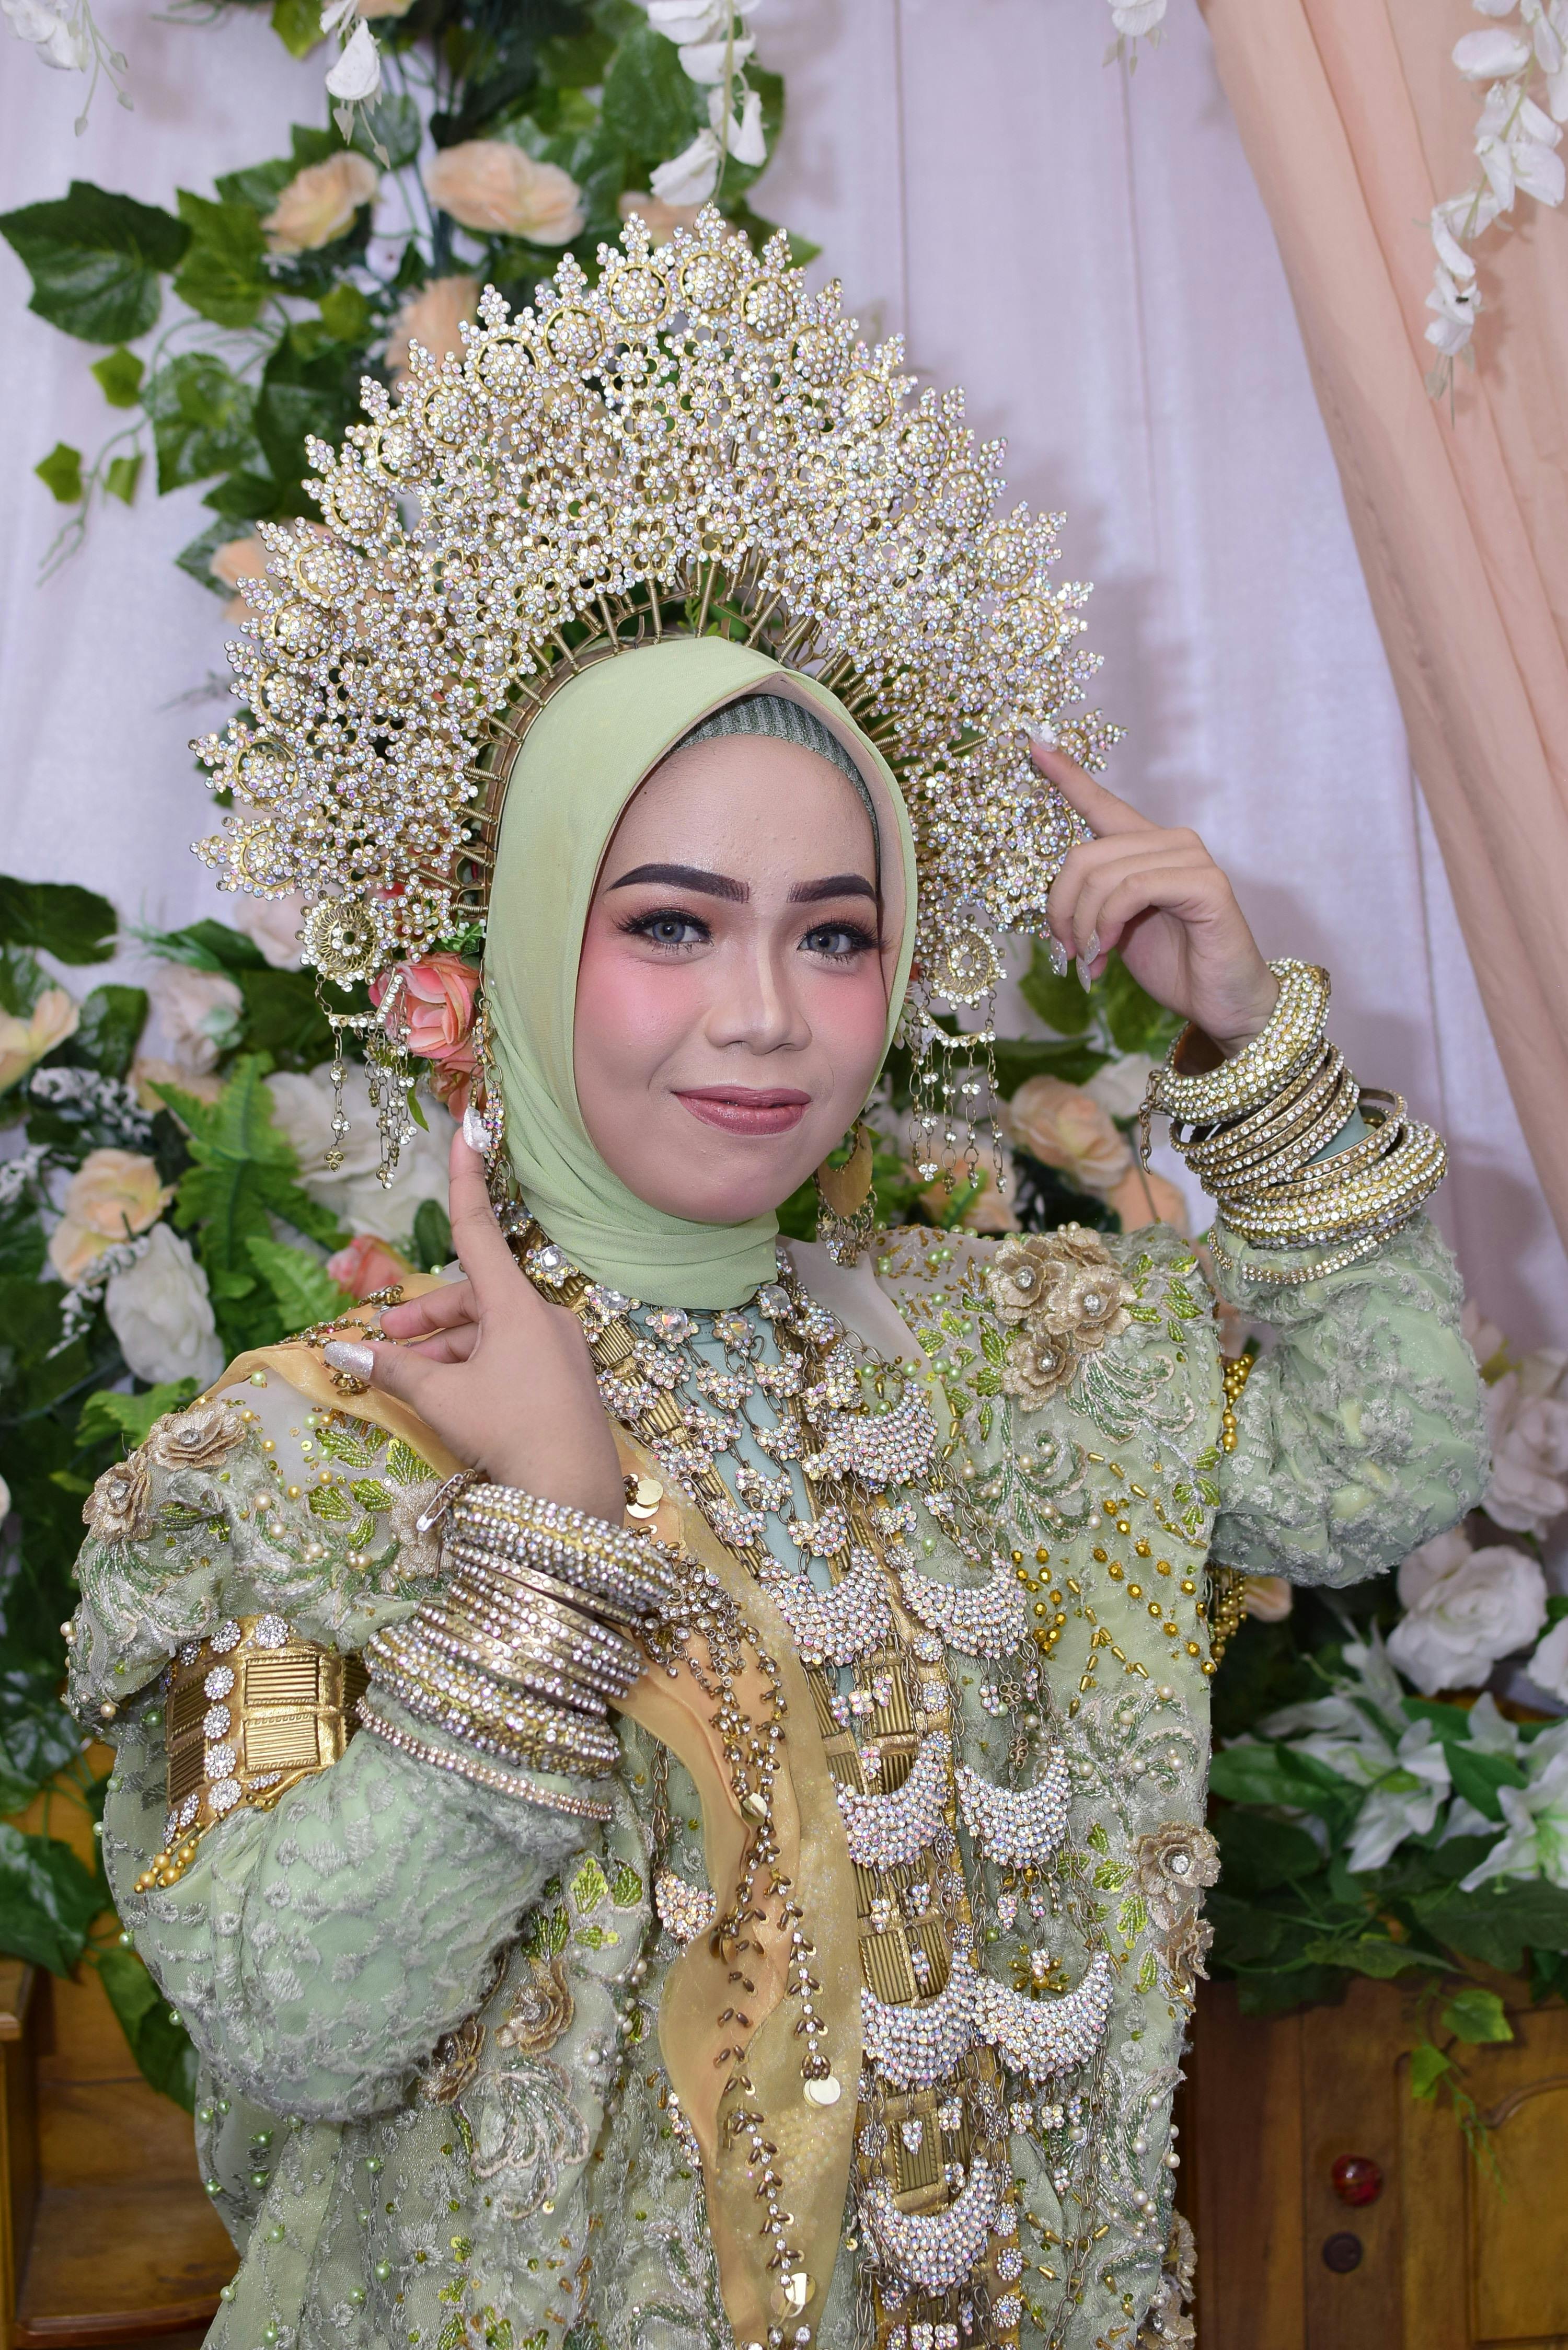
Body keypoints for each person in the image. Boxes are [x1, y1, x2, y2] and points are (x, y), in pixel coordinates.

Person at [70, 215, 1485, 2350]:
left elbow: (1380, 1458)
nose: (767, 1016)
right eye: (669, 921)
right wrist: (541, 1542)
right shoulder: (329, 1441)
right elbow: (284, 2018)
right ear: (523, 939)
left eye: (835, 932)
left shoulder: (1003, 1354)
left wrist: (1239, 1053)